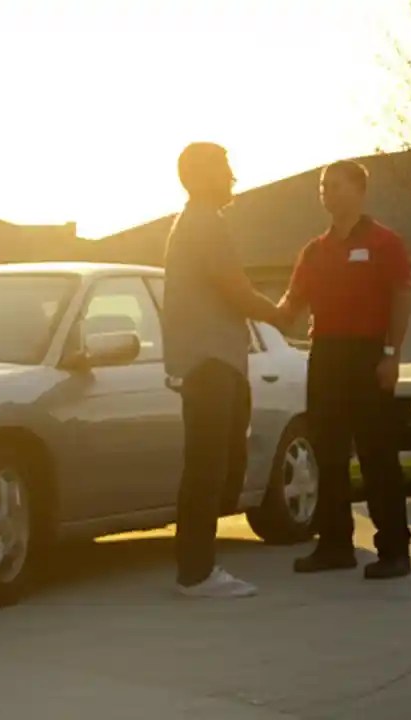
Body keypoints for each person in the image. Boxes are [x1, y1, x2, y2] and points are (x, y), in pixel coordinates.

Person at [277, 160, 411, 580]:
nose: (326, 193)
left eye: (334, 186)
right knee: (328, 454)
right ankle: (335, 544)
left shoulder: (384, 242)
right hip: (327, 356)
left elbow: (402, 296)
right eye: (322, 186)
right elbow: (289, 304)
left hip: (368, 355)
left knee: (377, 454)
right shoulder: (315, 250)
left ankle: (394, 550)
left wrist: (391, 354)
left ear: (358, 189)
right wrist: (242, 306)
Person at [162, 142, 286, 599]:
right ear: (200, 176)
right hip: (209, 364)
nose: (232, 176)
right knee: (207, 470)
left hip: (218, 362)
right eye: (224, 168)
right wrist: (282, 312)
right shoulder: (204, 225)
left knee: (223, 466)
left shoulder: (198, 223)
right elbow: (236, 288)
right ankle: (195, 573)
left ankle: (197, 567)